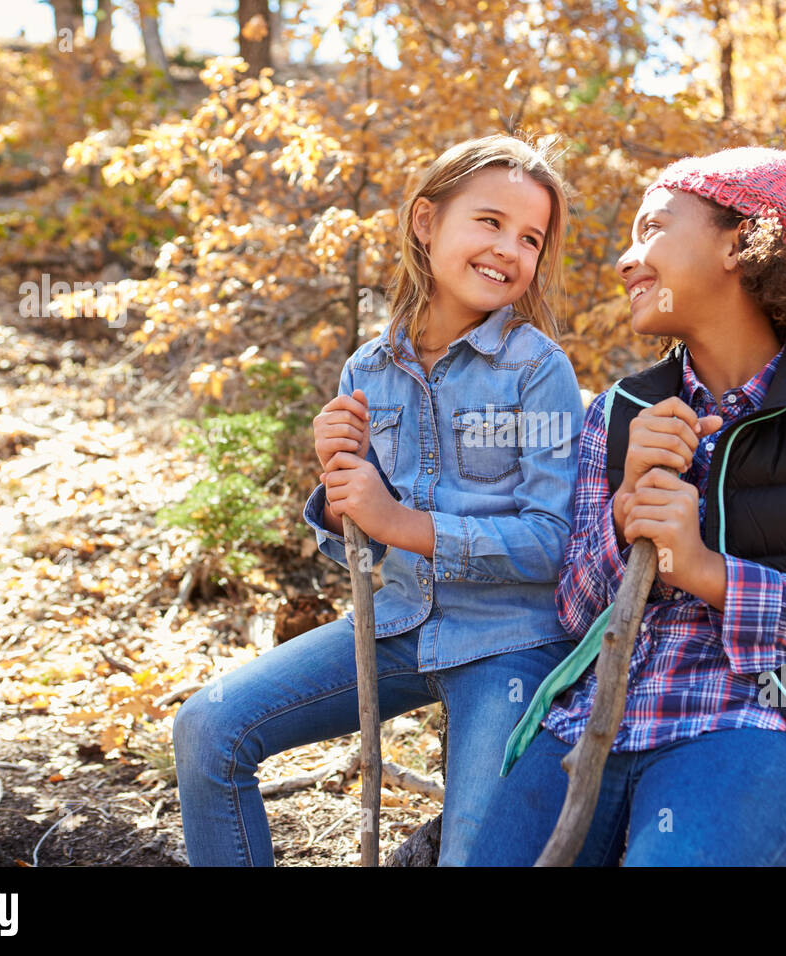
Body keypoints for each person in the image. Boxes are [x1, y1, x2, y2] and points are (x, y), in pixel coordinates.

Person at [468, 146, 786, 867]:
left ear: (740, 243)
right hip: (594, 722)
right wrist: (624, 522)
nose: (626, 260)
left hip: (759, 720)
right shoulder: (619, 412)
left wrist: (708, 572)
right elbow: (575, 615)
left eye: (653, 229)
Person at [173, 134, 584, 866]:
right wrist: (339, 495)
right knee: (208, 729)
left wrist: (403, 522)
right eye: (489, 222)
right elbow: (358, 549)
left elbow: (555, 541)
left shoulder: (538, 370)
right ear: (426, 223)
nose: (509, 250)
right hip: (394, 624)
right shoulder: (368, 368)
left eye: (530, 237)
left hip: (509, 642)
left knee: (473, 858)